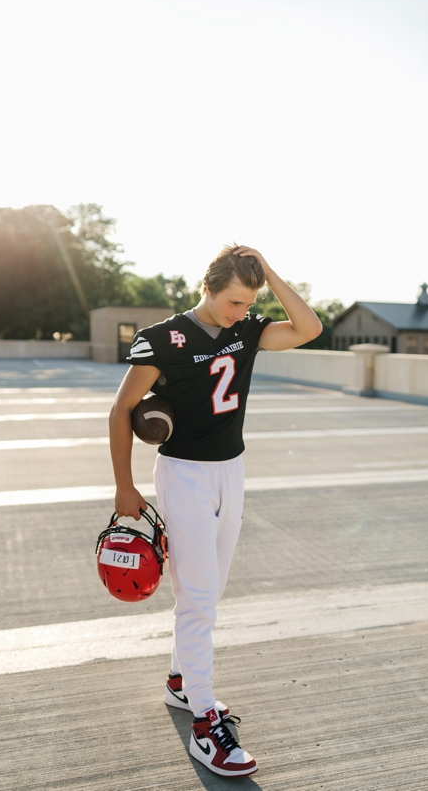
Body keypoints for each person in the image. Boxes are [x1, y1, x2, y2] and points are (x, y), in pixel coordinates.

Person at [109, 244, 322, 775]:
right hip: (183, 474)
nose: (240, 313)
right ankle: (206, 724)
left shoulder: (247, 330)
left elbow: (309, 328)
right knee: (199, 597)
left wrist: (268, 273)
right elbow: (121, 410)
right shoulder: (163, 338)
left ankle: (182, 683)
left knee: (210, 589)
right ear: (206, 288)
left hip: (233, 470)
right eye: (232, 302)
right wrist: (123, 487)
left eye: (248, 303)